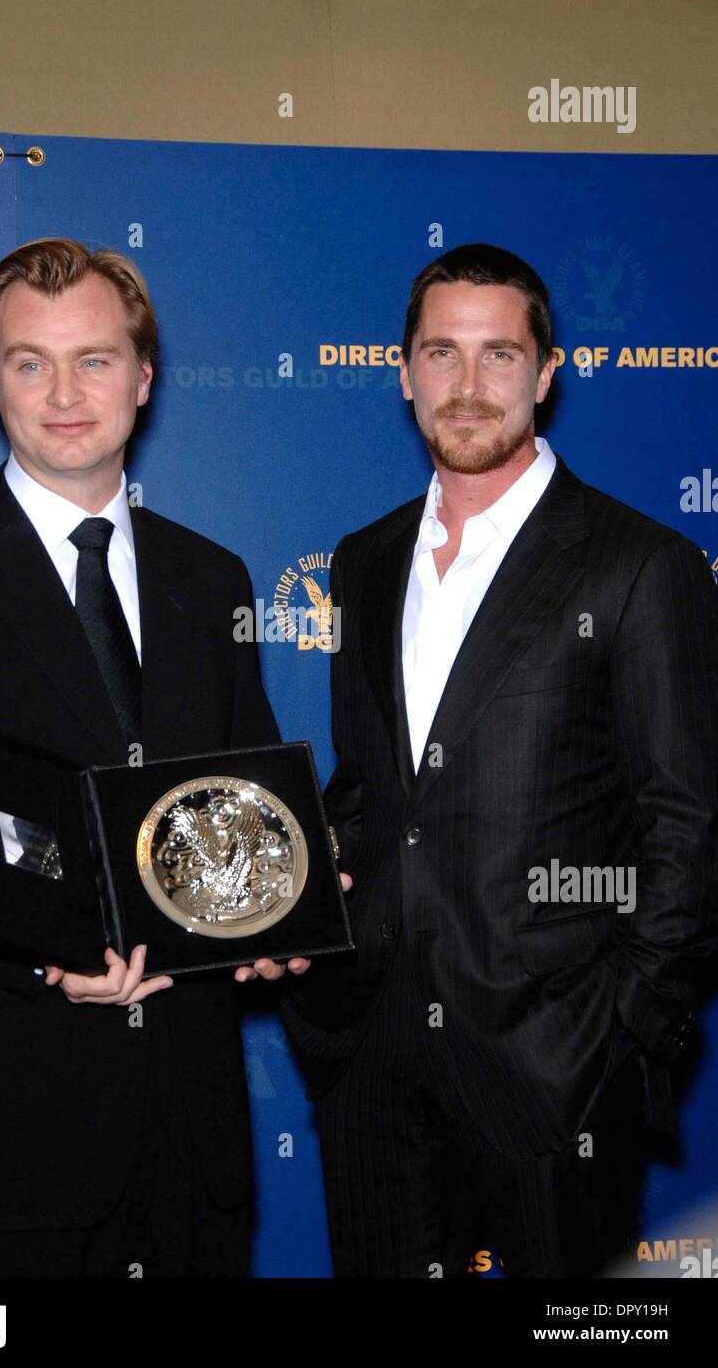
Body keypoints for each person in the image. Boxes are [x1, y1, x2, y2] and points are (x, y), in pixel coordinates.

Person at [0, 237, 306, 1279]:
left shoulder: (212, 578)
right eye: (28, 361)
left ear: (142, 378)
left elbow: (231, 808)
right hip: (1, 1137)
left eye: (94, 359)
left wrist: (275, 915)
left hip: (189, 1139)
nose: (64, 392)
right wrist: (34, 949)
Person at [282, 243, 718, 1278]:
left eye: (497, 355)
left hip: (552, 1071)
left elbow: (690, 825)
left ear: (545, 373)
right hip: (373, 1059)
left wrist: (612, 1037)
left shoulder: (636, 565)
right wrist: (292, 903)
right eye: (440, 353)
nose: (467, 386)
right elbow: (369, 790)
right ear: (401, 372)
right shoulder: (364, 558)